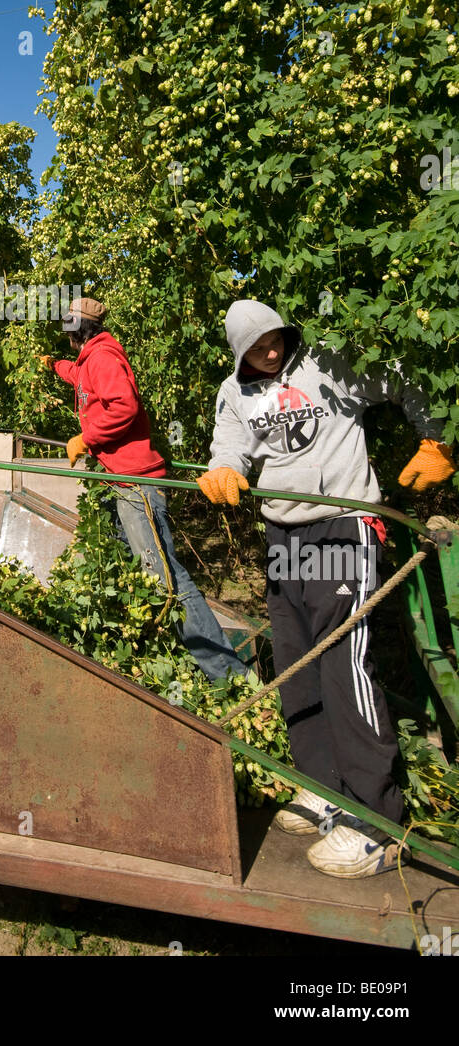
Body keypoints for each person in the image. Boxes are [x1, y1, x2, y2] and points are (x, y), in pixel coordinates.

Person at [198, 298, 456, 878]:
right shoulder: (233, 393)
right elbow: (230, 445)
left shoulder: (330, 364)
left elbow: (408, 380)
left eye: (276, 339)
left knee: (344, 662)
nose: (271, 351)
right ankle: (324, 789)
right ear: (240, 354)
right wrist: (225, 468)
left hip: (344, 525)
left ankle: (378, 824)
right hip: (284, 535)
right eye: (256, 347)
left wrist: (435, 442)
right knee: (296, 661)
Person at [40, 297, 247, 682]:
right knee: (145, 573)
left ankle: (229, 676)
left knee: (167, 579)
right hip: (124, 483)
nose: (64, 335)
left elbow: (124, 406)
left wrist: (87, 438)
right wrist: (55, 367)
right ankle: (182, 661)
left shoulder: (102, 358)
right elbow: (82, 380)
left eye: (67, 328)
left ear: (77, 330)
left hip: (137, 485)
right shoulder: (89, 360)